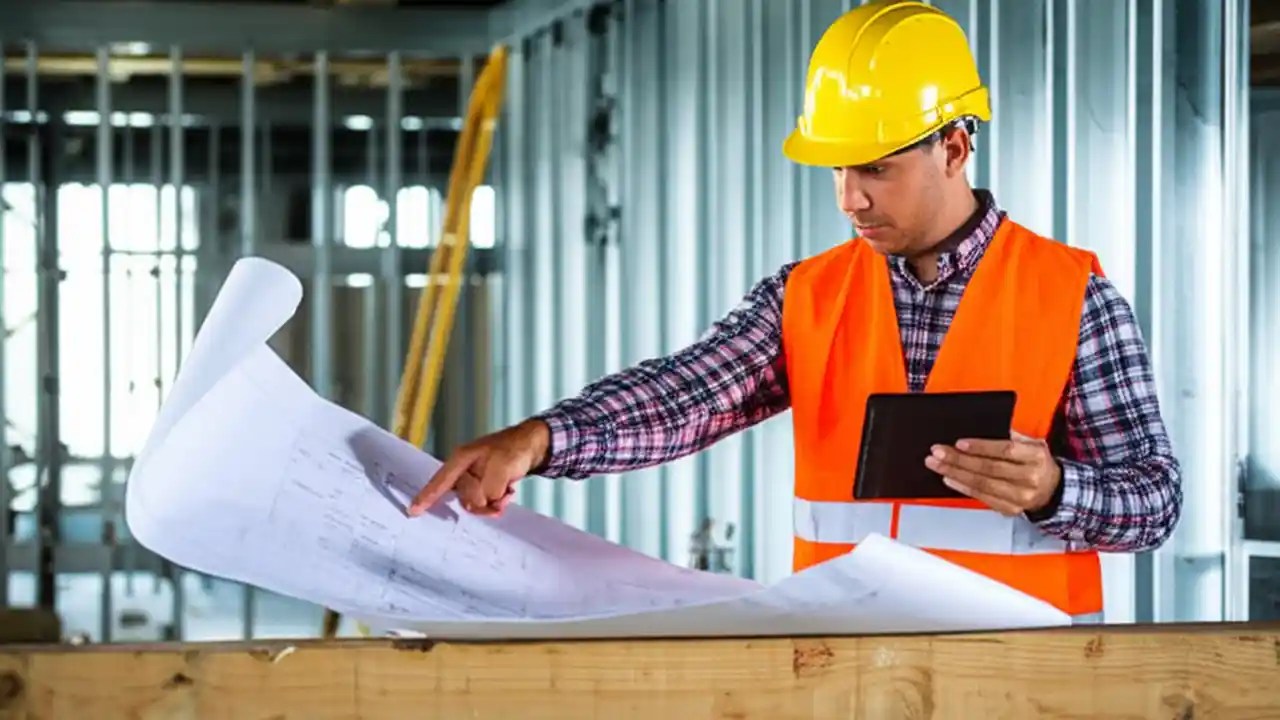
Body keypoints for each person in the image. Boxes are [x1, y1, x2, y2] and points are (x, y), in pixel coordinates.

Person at [409, 0, 1182, 622]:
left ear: (953, 146)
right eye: (839, 168)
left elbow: (1153, 502)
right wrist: (540, 440)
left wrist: (1055, 491)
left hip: (1026, 688)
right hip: (845, 680)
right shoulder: (807, 295)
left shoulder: (1070, 295)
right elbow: (687, 395)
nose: (850, 198)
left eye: (876, 168)